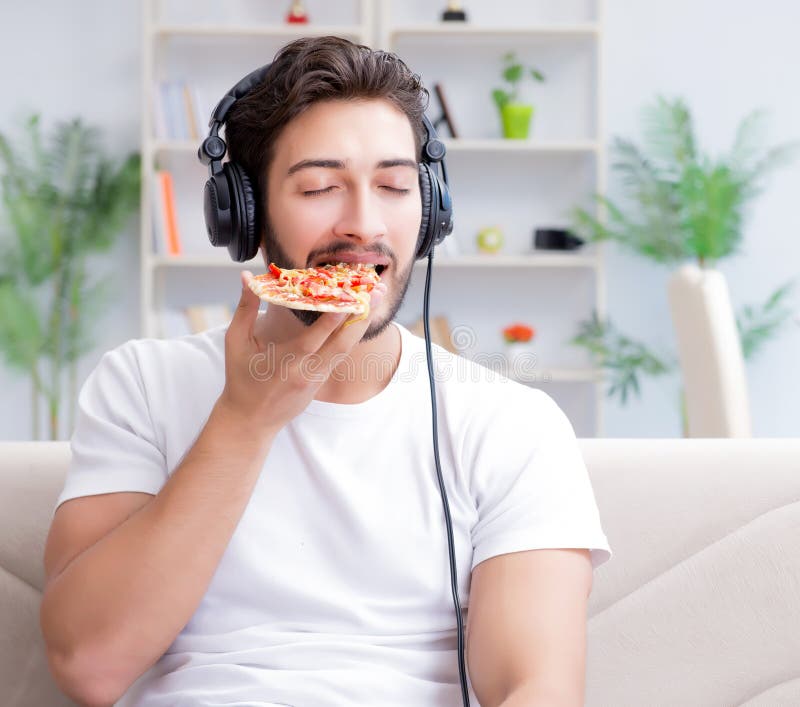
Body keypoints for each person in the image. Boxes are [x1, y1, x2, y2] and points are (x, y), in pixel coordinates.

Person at [40, 36, 612, 707]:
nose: (364, 224)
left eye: (395, 186)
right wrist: (245, 420)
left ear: (430, 213)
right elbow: (88, 665)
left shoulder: (513, 424)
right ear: (244, 215)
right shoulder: (141, 384)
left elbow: (532, 685)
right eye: (319, 187)